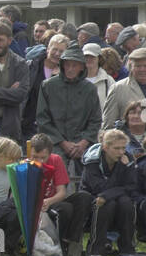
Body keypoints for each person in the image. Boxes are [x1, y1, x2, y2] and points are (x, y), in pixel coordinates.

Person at [35, 42, 101, 173]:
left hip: (82, 143)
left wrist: (84, 142)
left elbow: (95, 120)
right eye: (67, 65)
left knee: (90, 168)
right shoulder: (48, 86)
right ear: (62, 65)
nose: (70, 69)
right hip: (54, 142)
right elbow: (42, 119)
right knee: (54, 165)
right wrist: (62, 142)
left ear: (82, 67)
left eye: (74, 65)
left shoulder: (90, 89)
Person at [28, 133, 94, 256]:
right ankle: (60, 244)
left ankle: (71, 241)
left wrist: (48, 201)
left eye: (43, 157)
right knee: (66, 208)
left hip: (52, 201)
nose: (39, 162)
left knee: (84, 197)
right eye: (35, 157)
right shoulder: (25, 164)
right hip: (34, 205)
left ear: (50, 154)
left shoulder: (56, 160)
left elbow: (62, 192)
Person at [82, 128, 138, 256]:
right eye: (117, 148)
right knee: (107, 204)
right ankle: (96, 250)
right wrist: (122, 170)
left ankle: (127, 249)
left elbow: (132, 186)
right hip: (92, 199)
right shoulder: (92, 161)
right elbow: (98, 188)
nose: (121, 152)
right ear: (105, 147)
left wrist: (108, 194)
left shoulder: (127, 159)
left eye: (123, 148)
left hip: (111, 197)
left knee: (126, 203)